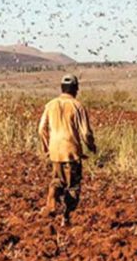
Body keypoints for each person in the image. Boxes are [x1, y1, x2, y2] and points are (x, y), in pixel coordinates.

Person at [38, 74, 97, 226]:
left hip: (55, 150)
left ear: (62, 88)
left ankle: (52, 194)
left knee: (58, 179)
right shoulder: (77, 106)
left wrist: (47, 147)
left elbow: (41, 129)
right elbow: (85, 133)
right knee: (73, 186)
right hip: (71, 151)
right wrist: (91, 146)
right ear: (76, 89)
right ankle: (66, 217)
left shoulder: (50, 105)